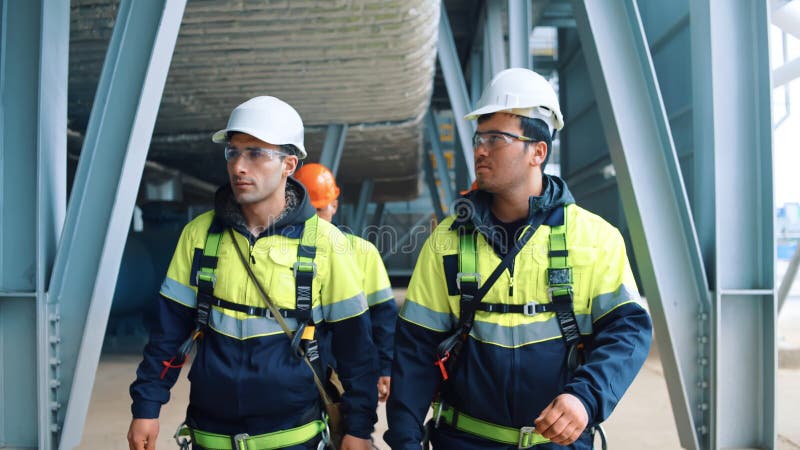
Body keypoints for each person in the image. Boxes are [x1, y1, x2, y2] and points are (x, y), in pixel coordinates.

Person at [385, 68, 653, 449]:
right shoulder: (446, 241)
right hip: (462, 440)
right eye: (480, 137)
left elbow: (628, 332)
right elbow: (415, 349)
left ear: (538, 152)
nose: (480, 149)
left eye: (497, 138)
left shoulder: (595, 239)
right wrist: (405, 440)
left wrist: (585, 397)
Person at [127, 96, 377, 450]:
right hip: (210, 436)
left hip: (295, 439)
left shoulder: (327, 244)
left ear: (289, 164)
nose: (239, 166)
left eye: (256, 153)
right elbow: (168, 334)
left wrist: (358, 427)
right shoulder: (199, 236)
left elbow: (357, 351)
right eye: (233, 152)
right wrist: (147, 407)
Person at [294, 163, 398, 403]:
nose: (315, 220)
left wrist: (385, 367)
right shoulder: (282, 253)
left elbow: (383, 314)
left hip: (349, 372)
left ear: (334, 205)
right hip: (300, 372)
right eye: (309, 211)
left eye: (320, 210)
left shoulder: (362, 251)